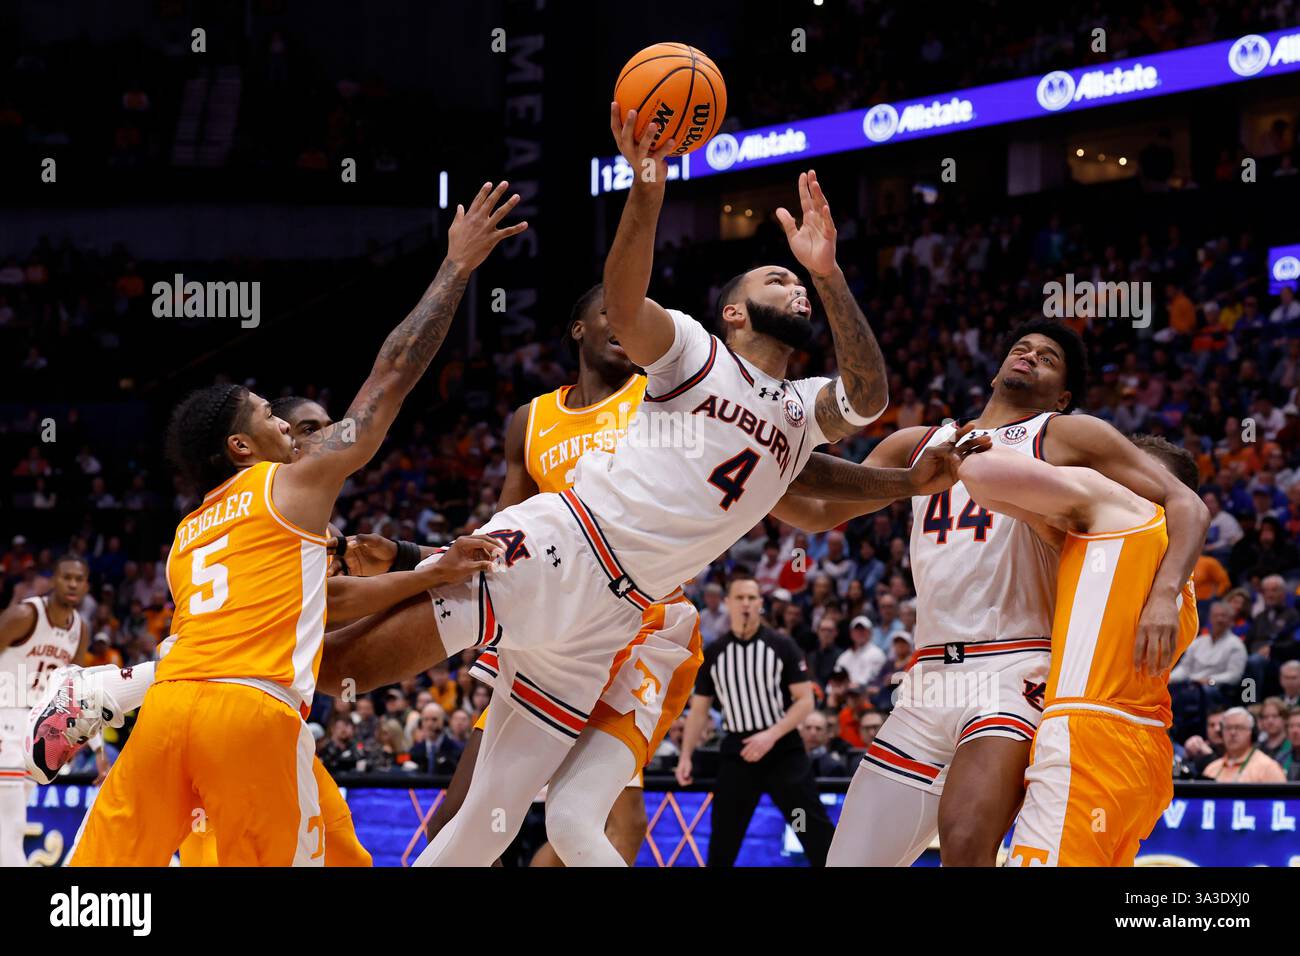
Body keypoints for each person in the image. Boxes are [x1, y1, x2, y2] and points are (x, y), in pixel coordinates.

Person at [317, 133, 982, 865]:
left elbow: (866, 401)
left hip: (614, 617)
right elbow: (627, 303)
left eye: (793, 283)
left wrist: (826, 276)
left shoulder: (798, 414)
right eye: (775, 279)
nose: (789, 288)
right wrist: (647, 193)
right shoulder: (694, 354)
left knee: (495, 819)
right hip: (560, 549)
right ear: (733, 313)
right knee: (338, 673)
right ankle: (186, 678)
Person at [64, 180, 525, 867]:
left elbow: (324, 600)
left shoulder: (188, 533)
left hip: (167, 714)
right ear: (242, 447)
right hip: (250, 713)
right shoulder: (290, 482)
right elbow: (391, 376)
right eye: (267, 415)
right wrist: (456, 266)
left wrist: (428, 570)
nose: (286, 423)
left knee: (103, 892)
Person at [783, 321, 1209, 868]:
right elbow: (817, 513)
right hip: (928, 676)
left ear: (1063, 396)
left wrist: (1164, 594)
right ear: (995, 368)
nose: (1030, 356)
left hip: (1015, 668)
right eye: (1021, 348)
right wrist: (748, 472)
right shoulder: (917, 444)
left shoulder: (1068, 436)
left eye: (1048, 357)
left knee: (964, 846)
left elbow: (1185, 503)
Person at [945, 434, 1200, 866]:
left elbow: (980, 474)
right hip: (1145, 752)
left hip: (1089, 739)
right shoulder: (1174, 575)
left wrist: (975, 441)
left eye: (1121, 467)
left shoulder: (1127, 512)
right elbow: (1031, 514)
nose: (1107, 473)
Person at [677, 576, 836, 866]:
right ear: (727, 603)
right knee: (723, 840)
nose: (746, 604)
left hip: (782, 748)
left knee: (815, 831)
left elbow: (805, 701)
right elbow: (699, 710)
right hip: (738, 751)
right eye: (739, 598)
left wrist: (770, 735)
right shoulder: (713, 654)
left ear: (761, 604)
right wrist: (685, 755)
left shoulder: (782, 645)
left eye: (752, 598)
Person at [0, 555, 90, 866]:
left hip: (35, 726)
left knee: (13, 821)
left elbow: (73, 686)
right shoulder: (25, 615)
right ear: (54, 580)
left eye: (79, 579)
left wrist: (74, 735)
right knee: (9, 825)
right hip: (4, 715)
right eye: (67, 577)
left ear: (87, 586)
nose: (73, 584)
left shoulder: (81, 630)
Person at [1202, 707, 1287, 782]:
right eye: (1228, 728)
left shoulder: (1268, 768)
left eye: (1239, 727)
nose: (1233, 732)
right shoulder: (1211, 769)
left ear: (1251, 732)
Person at [835, 616, 885, 690]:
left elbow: (866, 680)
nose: (860, 633)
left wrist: (845, 687)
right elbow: (835, 676)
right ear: (851, 633)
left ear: (870, 633)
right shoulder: (845, 656)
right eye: (857, 630)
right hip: (843, 693)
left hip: (864, 695)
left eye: (863, 630)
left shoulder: (877, 654)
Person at [801, 710, 850, 777]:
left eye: (818, 729)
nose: (813, 733)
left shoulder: (835, 767)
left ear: (826, 733)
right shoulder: (791, 763)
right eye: (808, 728)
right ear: (801, 732)